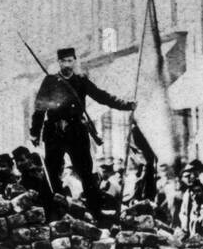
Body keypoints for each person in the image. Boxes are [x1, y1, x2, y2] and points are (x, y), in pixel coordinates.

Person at [29, 47, 134, 217]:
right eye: (64, 61)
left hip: (76, 131)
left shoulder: (81, 81)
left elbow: (102, 96)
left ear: (75, 61)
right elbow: (39, 108)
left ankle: (95, 210)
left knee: (86, 171)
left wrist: (126, 105)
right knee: (52, 171)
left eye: (70, 61)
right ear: (59, 63)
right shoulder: (49, 81)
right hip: (54, 131)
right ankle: (52, 211)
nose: (67, 64)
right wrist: (35, 132)